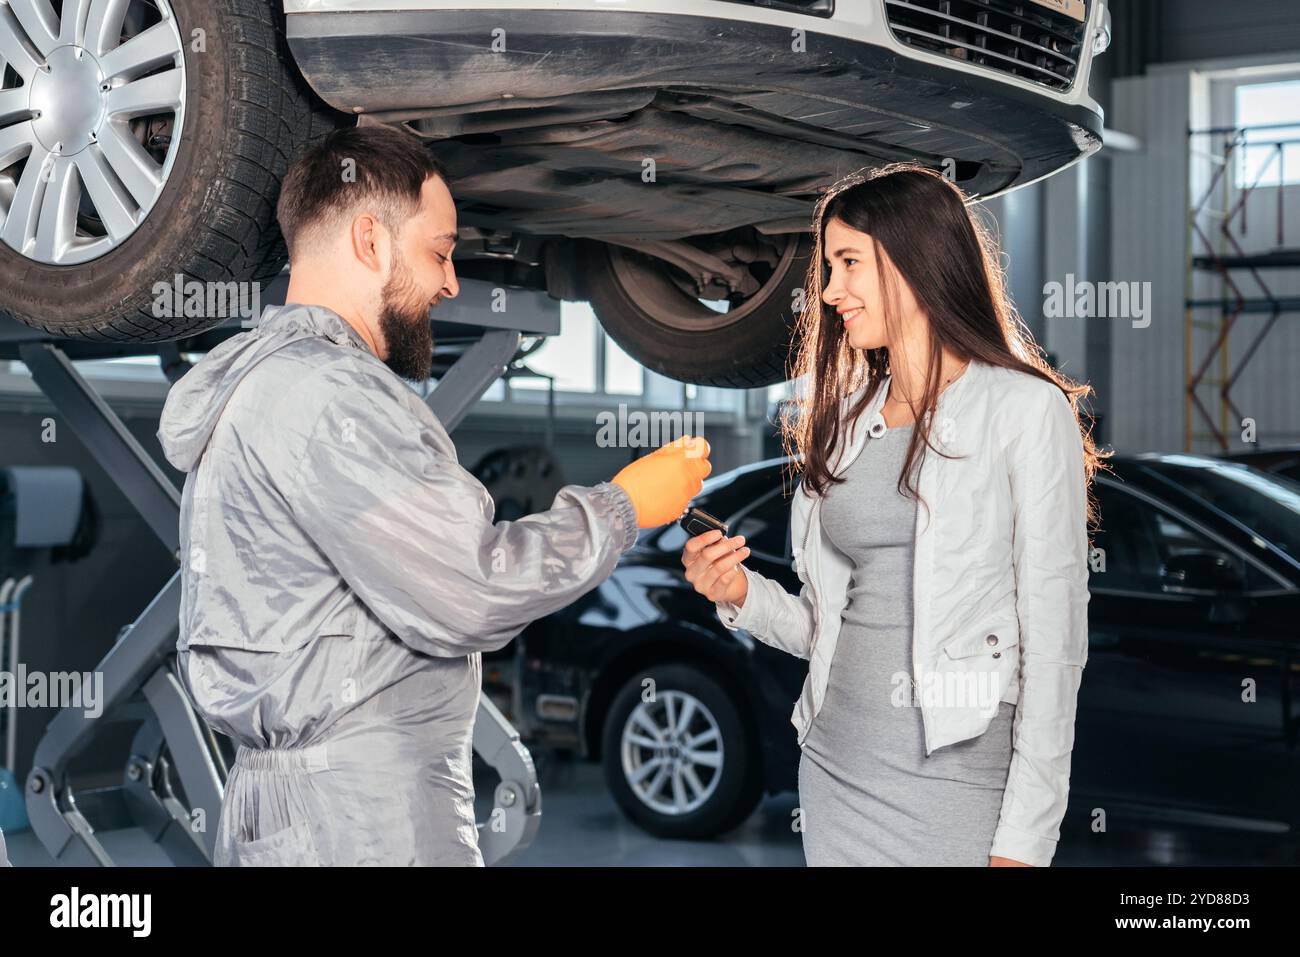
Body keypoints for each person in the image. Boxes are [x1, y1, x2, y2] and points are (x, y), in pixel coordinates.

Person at [157, 124, 710, 865]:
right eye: (440, 251)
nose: (452, 282)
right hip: (363, 821)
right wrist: (625, 506)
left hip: (302, 812)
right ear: (370, 242)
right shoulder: (329, 395)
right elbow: (472, 585)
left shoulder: (265, 388)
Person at [682, 164, 1108, 867]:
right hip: (837, 767)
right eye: (828, 266)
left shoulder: (1024, 410)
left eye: (848, 262)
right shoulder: (847, 423)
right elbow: (829, 630)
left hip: (957, 778)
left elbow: (1056, 646)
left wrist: (1025, 841)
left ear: (918, 259)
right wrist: (740, 594)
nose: (828, 290)